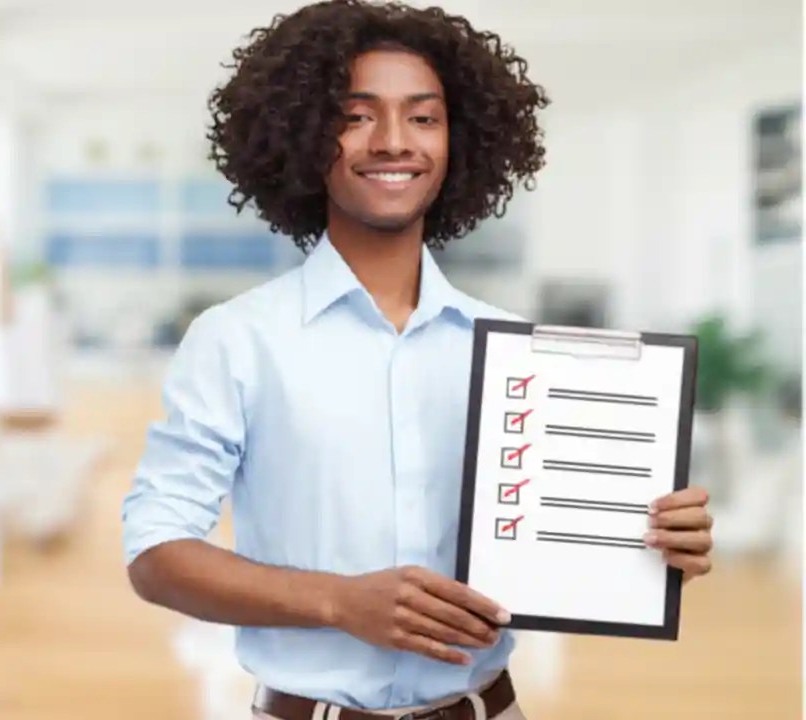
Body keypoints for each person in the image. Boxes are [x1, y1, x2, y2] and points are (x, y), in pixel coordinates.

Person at [120, 1, 715, 719]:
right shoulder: (237, 339)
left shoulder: (518, 351)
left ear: (459, 142)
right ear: (305, 135)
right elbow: (157, 553)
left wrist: (652, 542)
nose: (394, 141)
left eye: (424, 117)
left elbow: (553, 553)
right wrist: (338, 602)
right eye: (357, 114)